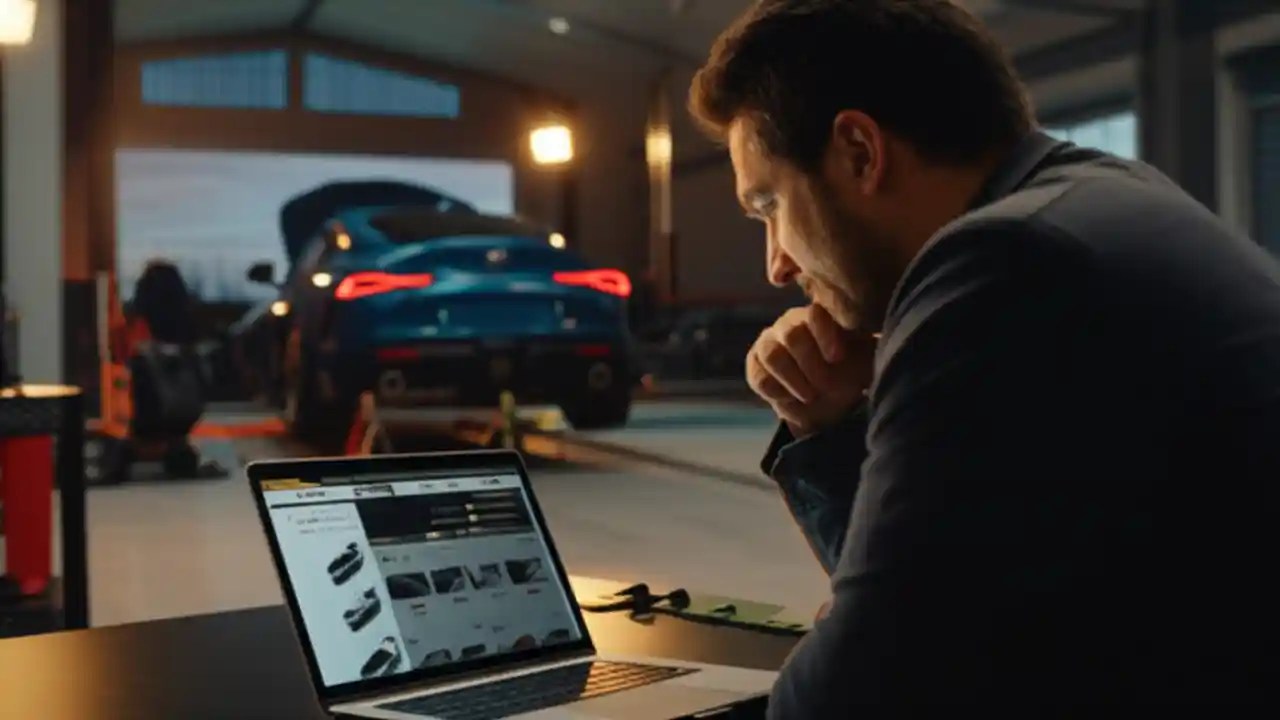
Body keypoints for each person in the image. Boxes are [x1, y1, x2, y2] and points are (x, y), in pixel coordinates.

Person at [689, 0, 1276, 711]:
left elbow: (869, 686)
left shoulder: (1000, 267)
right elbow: (947, 618)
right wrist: (835, 425)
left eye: (769, 207)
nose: (777, 265)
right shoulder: (1101, 199)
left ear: (859, 153)